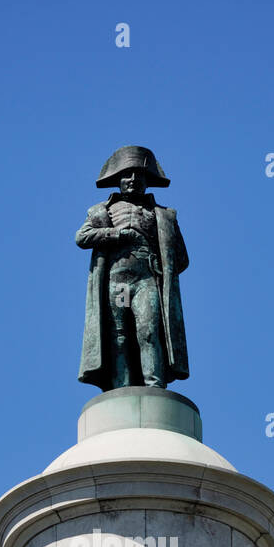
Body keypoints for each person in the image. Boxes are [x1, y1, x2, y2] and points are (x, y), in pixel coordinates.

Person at [76, 146, 189, 391]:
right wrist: (116, 234)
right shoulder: (102, 211)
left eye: (140, 175)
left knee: (148, 330)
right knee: (120, 335)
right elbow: (82, 237)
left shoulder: (164, 216)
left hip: (146, 279)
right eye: (128, 175)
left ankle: (154, 386)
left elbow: (181, 257)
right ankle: (122, 387)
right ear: (118, 179)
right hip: (119, 281)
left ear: (148, 181)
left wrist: (161, 266)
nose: (134, 180)